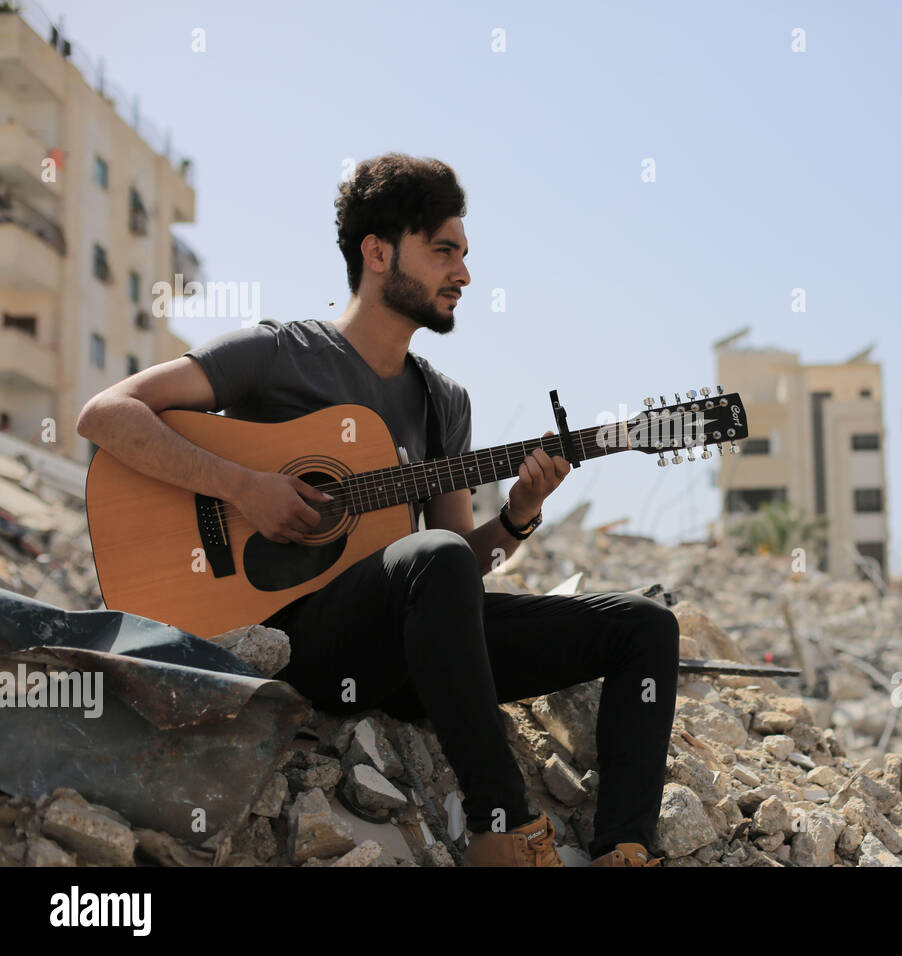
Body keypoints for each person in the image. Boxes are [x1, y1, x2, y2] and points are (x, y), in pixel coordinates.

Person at [75, 153, 679, 867]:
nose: (464, 273)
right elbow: (105, 415)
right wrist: (243, 486)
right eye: (444, 250)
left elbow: (460, 563)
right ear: (378, 251)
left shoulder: (443, 401)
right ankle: (504, 831)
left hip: (413, 657)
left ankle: (626, 849)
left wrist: (517, 515)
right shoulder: (281, 353)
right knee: (435, 559)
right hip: (296, 640)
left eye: (465, 253)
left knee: (644, 625)